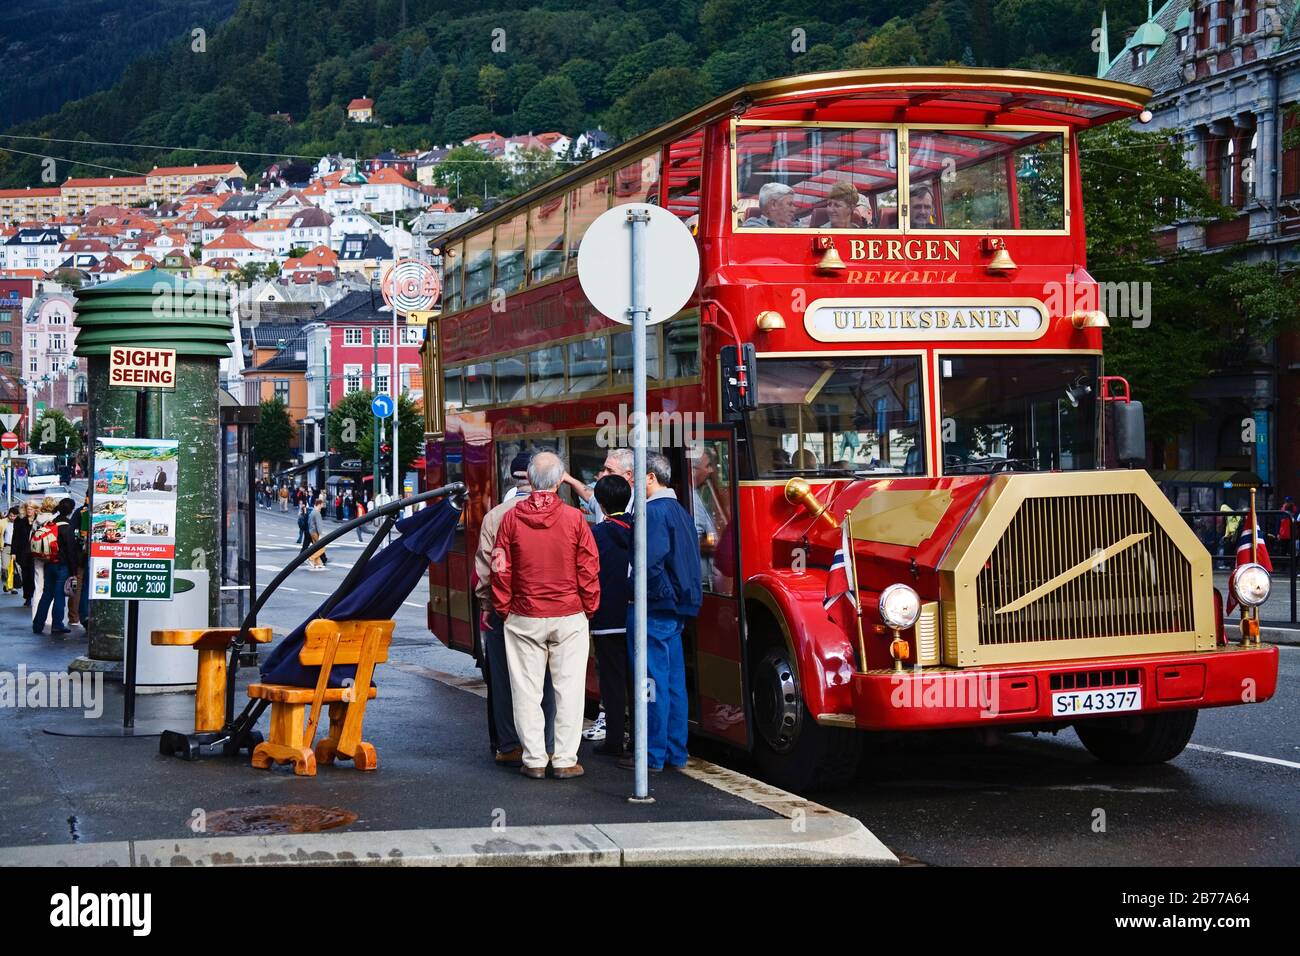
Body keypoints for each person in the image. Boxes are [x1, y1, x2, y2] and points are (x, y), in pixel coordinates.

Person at [491, 451, 600, 780]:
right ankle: (565, 758)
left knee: (526, 690)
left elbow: (500, 568)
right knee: (568, 689)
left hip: (524, 614)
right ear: (558, 480)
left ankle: (535, 758)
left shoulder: (509, 519)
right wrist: (589, 608)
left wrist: (504, 609)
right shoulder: (574, 519)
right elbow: (589, 568)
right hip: (569, 615)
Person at [621, 452, 702, 772]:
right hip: (675, 609)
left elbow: (648, 565)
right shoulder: (680, 510)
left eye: (635, 478)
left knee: (650, 684)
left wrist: (644, 593)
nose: (632, 483)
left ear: (650, 479)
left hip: (652, 608)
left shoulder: (652, 512)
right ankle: (675, 752)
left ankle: (651, 756)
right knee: (671, 684)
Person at [473, 451, 555, 766]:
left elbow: (484, 567)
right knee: (544, 677)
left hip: (502, 608)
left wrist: (487, 604)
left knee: (504, 678)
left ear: (513, 478)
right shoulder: (563, 514)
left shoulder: (496, 515)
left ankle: (509, 745)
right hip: (545, 607)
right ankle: (545, 745)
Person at [590, 475, 633, 757]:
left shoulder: (596, 534)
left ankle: (615, 740)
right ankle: (641, 740)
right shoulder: (639, 529)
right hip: (633, 615)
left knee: (612, 682)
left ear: (602, 504)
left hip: (605, 618)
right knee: (637, 680)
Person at [33, 498, 78, 635]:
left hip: (49, 563)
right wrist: (73, 570)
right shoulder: (68, 526)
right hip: (62, 565)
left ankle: (37, 624)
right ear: (71, 510)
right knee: (59, 596)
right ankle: (57, 624)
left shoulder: (51, 523)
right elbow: (70, 551)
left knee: (47, 594)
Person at [563, 447, 634, 522]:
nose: (604, 474)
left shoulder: (640, 506)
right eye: (604, 469)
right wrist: (567, 478)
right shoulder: (606, 495)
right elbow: (589, 495)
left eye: (610, 471)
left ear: (628, 474)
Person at [13, 501, 35, 606]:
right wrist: (13, 552)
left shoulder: (37, 521)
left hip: (35, 552)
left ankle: (34, 594)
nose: (29, 511)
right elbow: (15, 537)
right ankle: (28, 597)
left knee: (33, 575)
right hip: (23, 552)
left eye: (31, 509)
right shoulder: (20, 520)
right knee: (26, 575)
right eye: (28, 509)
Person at [306, 499, 325, 569]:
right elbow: (319, 525)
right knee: (322, 548)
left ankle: (318, 563)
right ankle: (311, 559)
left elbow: (308, 522)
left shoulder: (312, 512)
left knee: (316, 548)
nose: (322, 506)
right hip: (316, 533)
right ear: (319, 505)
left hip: (311, 531)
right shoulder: (317, 513)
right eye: (322, 505)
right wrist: (320, 534)